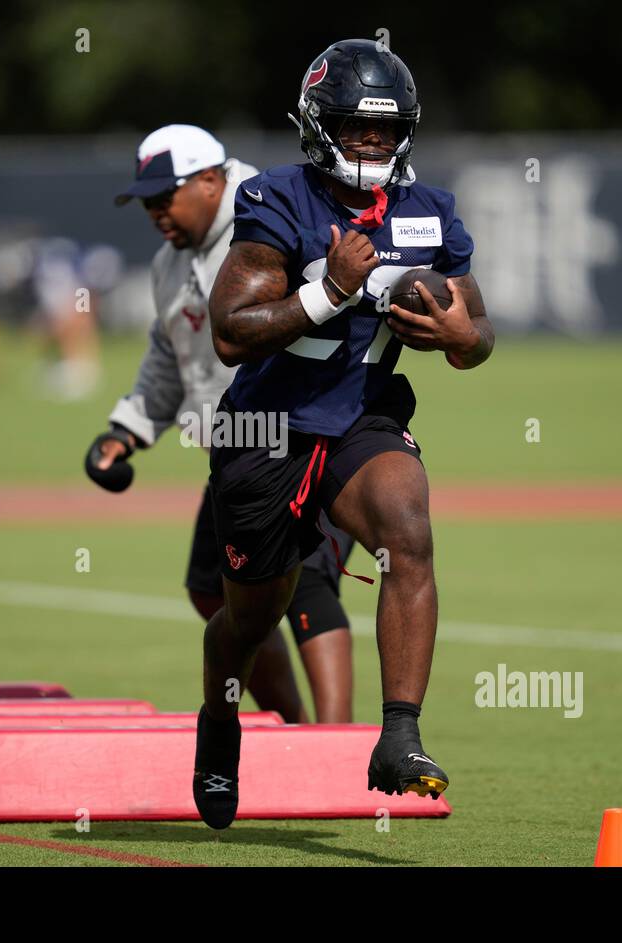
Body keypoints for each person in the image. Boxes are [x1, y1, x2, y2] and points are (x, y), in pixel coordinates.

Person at [192, 40, 495, 829]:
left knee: (408, 526)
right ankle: (219, 719)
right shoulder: (279, 200)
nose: (373, 144)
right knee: (252, 617)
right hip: (270, 427)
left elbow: (478, 334)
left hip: (363, 414)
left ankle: (399, 734)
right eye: (356, 129)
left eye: (386, 131)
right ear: (318, 127)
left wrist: (455, 336)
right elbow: (231, 333)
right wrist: (328, 291)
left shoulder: (429, 212)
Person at [85, 124, 357, 725]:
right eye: (146, 201)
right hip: (236, 446)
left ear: (212, 180)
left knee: (307, 581)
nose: (155, 211)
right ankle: (294, 727)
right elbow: (167, 351)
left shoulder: (270, 219)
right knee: (214, 590)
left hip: (309, 428)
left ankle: (339, 743)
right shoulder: (170, 263)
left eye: (165, 196)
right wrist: (127, 427)